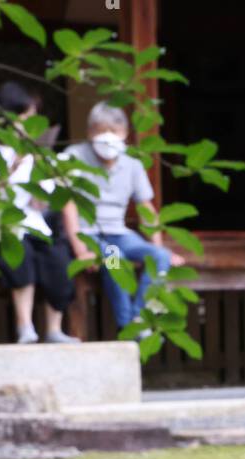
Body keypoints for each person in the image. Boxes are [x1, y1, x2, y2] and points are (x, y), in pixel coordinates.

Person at [0, 82, 77, 345]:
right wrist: (8, 171)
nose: (29, 124)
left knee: (57, 252)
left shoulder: (33, 149)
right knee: (20, 250)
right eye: (25, 117)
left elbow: (43, 203)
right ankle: (25, 327)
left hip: (31, 223)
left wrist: (40, 190)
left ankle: (54, 329)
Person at [62, 104, 180, 332]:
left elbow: (146, 209)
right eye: (100, 131)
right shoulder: (73, 157)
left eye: (114, 131)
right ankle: (128, 326)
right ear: (89, 133)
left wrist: (159, 246)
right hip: (89, 233)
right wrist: (80, 250)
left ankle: (139, 319)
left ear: (125, 134)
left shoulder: (133, 164)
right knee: (115, 259)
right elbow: (68, 206)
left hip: (120, 232)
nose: (107, 137)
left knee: (160, 257)